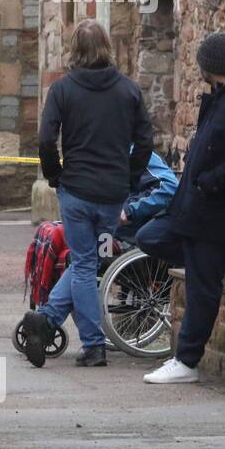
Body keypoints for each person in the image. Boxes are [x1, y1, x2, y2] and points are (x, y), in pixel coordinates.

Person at [134, 34, 225, 385]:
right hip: (193, 211)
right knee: (149, 236)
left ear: (206, 67)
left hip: (217, 215)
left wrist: (210, 181)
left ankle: (186, 361)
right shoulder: (217, 100)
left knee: (202, 287)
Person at [19, 19, 152, 368]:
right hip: (111, 193)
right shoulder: (128, 90)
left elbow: (46, 140)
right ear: (106, 47)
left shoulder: (63, 90)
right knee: (87, 263)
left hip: (75, 190)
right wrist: (132, 178)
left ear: (76, 49)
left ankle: (90, 343)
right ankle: (47, 321)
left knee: (82, 264)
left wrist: (55, 175)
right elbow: (146, 142)